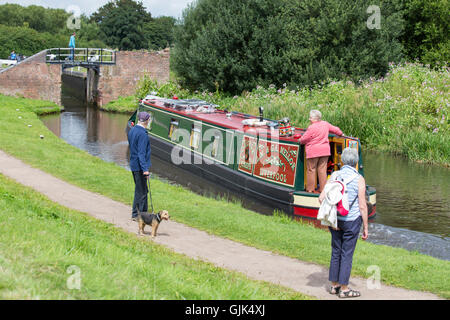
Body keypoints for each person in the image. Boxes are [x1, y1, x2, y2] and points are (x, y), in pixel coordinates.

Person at [319, 147, 369, 298]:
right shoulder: (359, 179)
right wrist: (366, 227)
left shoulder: (334, 175)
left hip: (335, 220)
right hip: (351, 221)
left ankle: (334, 286)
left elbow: (321, 198)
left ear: (342, 161)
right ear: (356, 162)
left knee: (336, 252)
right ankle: (345, 289)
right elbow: (362, 205)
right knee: (347, 254)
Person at [300, 110, 343, 193]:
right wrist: (341, 134)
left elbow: (305, 138)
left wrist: (300, 140)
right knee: (322, 170)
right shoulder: (325, 124)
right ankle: (323, 190)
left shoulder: (311, 127)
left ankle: (310, 190)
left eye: (310, 117)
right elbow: (335, 130)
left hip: (313, 152)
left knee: (311, 170)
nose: (309, 119)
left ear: (313, 119)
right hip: (325, 151)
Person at [127, 111, 152, 221]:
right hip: (139, 166)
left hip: (133, 164)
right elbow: (141, 153)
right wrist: (145, 169)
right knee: (141, 192)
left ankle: (142, 213)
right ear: (147, 121)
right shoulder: (142, 134)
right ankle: (137, 215)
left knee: (141, 190)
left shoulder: (132, 130)